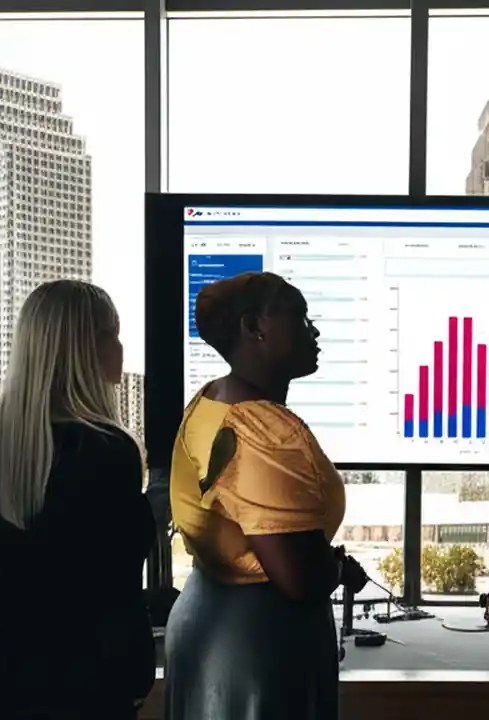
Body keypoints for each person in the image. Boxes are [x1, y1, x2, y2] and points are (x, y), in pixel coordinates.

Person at [0, 280, 156, 720]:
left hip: (0, 678)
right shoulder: (110, 449)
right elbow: (118, 588)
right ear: (81, 348)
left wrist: (4, 596)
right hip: (88, 682)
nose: (120, 347)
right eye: (111, 334)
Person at [165, 271, 366, 720]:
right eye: (299, 317)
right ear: (254, 326)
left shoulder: (209, 401)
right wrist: (333, 568)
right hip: (258, 643)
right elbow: (295, 577)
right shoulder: (263, 430)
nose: (313, 331)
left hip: (209, 619)